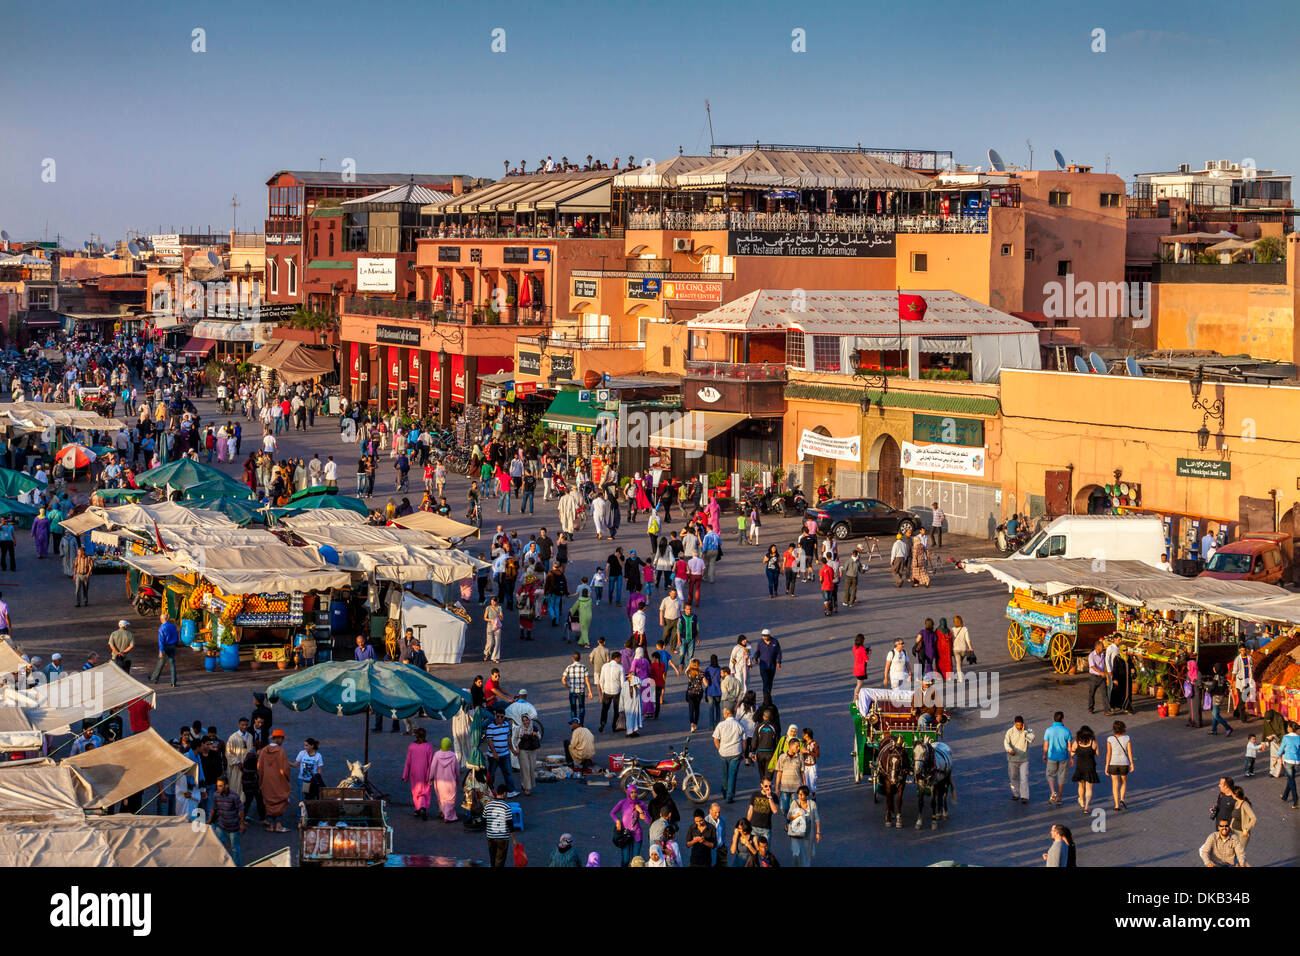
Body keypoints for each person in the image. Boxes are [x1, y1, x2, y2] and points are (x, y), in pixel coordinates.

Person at [256, 729, 292, 832]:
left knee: (269, 802)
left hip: (266, 781)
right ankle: (279, 825)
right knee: (280, 801)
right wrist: (287, 780)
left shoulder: (263, 751)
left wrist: (262, 780)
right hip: (279, 782)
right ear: (279, 738)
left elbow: (259, 768)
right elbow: (285, 769)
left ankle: (271, 825)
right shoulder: (281, 752)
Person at [209, 776, 245, 866]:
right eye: (217, 786)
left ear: (227, 786)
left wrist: (242, 824)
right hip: (221, 826)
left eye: (220, 786)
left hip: (233, 828)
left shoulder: (234, 796)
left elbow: (241, 810)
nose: (218, 788)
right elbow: (213, 808)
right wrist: (209, 820)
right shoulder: (216, 795)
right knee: (217, 845)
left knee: (235, 849)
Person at [610, 783, 648, 866]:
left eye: (635, 792)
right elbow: (612, 813)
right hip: (625, 834)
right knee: (626, 859)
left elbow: (648, 820)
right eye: (632, 792)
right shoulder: (622, 802)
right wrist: (617, 821)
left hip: (637, 834)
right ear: (628, 793)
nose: (634, 794)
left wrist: (640, 811)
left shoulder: (641, 804)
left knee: (635, 860)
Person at [1043, 711, 1074, 806]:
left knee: (1050, 775)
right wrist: (1071, 758)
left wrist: (1044, 754)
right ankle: (1060, 798)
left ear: (1054, 719)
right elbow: (1069, 747)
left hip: (1052, 756)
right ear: (1062, 719)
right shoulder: (1066, 731)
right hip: (1063, 757)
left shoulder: (1048, 730)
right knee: (1061, 777)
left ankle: (1053, 792)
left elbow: (1046, 745)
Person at [403, 728, 435, 820]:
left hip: (414, 772)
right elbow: (430, 762)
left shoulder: (411, 746)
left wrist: (405, 775)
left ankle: (417, 809)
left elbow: (408, 761)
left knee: (416, 790)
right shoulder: (428, 746)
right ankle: (423, 808)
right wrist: (431, 775)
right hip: (425, 772)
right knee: (425, 790)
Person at [785, 785, 820, 866]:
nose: (800, 796)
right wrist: (798, 815)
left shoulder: (812, 804)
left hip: (807, 832)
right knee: (795, 853)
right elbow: (788, 816)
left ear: (806, 795)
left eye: (802, 794)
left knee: (807, 854)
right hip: (796, 832)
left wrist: (818, 833)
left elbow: (817, 819)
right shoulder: (795, 803)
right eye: (799, 794)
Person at [1004, 715, 1035, 803]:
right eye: (1017, 725)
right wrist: (1010, 750)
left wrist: (1025, 731)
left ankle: (1024, 797)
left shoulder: (1028, 730)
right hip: (1012, 759)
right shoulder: (1009, 732)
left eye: (1021, 725)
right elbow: (1006, 742)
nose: (1019, 727)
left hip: (1024, 759)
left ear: (1023, 724)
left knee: (1024, 778)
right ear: (1014, 724)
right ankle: (1016, 794)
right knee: (1013, 777)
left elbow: (1031, 739)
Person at [1105, 719, 1134, 811]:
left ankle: (1116, 805)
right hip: (1124, 763)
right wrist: (1132, 763)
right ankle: (1122, 799)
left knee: (1115, 784)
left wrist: (1106, 765)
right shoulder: (1127, 738)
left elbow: (1108, 753)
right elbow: (1130, 752)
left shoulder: (1110, 739)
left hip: (1113, 763)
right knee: (1123, 782)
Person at [1070, 725, 1100, 811]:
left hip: (1080, 766)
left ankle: (1081, 799)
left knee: (1081, 785)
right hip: (1090, 766)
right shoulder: (1093, 742)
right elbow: (1097, 753)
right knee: (1089, 787)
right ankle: (1086, 806)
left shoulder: (1076, 742)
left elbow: (1072, 754)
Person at [484, 785, 514, 867]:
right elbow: (510, 824)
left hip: (490, 836)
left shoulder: (488, 805)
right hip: (502, 837)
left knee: (492, 858)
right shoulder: (506, 806)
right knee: (500, 860)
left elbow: (484, 819)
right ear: (504, 793)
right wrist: (514, 840)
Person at [512, 713, 542, 796]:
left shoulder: (534, 728)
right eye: (523, 721)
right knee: (525, 769)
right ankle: (527, 788)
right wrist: (516, 747)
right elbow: (514, 739)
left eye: (527, 720)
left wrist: (536, 735)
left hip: (533, 750)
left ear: (530, 720)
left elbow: (539, 737)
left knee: (532, 768)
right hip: (522, 751)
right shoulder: (519, 729)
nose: (525, 722)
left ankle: (525, 784)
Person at [150, 611, 179, 686]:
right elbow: (176, 636)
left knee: (161, 663)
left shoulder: (162, 628)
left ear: (161, 619)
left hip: (165, 646)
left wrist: (160, 651)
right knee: (172, 664)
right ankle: (173, 682)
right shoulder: (173, 626)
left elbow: (161, 641)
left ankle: (154, 678)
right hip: (172, 645)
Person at [598, 652, 624, 733]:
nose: (621, 660)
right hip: (617, 691)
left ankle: (602, 723)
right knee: (616, 710)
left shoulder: (605, 666)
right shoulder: (620, 668)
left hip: (607, 691)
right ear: (616, 658)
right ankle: (614, 726)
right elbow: (623, 682)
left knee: (605, 709)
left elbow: (601, 680)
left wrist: (603, 691)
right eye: (620, 658)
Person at [754, 628, 782, 700]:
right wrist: (755, 658)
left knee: (770, 682)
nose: (764, 637)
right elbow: (757, 652)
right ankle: (766, 697)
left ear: (769, 635)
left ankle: (768, 694)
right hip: (763, 666)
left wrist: (778, 662)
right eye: (763, 635)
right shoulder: (760, 642)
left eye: (765, 636)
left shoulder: (775, 642)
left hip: (772, 666)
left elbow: (778, 652)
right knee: (765, 681)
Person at [1208, 662, 1233, 736]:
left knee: (1215, 714)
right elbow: (1225, 686)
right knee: (1214, 714)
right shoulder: (1223, 677)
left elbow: (1213, 686)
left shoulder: (1216, 676)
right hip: (1221, 697)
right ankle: (1214, 729)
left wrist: (1208, 690)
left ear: (1216, 669)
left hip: (1216, 697)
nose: (1213, 668)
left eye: (1214, 667)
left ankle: (1228, 728)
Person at [1279, 720, 1300, 808]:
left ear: (1291, 728)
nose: (1287, 728)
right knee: (1290, 779)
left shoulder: (1286, 737)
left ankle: (1296, 801)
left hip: (1288, 760)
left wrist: (1278, 756)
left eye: (1288, 726)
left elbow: (1282, 748)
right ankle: (1285, 796)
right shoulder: (1299, 738)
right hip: (1297, 761)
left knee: (1291, 780)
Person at [1229, 785, 1256, 849]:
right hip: (1233, 831)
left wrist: (1246, 829)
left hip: (1241, 834)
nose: (1231, 794)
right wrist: (1231, 825)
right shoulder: (1237, 803)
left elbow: (1254, 818)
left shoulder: (1245, 805)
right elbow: (1234, 816)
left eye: (1232, 793)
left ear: (1235, 795)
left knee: (1240, 853)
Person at [1086, 638, 1108, 714]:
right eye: (1102, 646)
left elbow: (1105, 664)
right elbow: (1092, 666)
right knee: (1091, 694)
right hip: (1094, 677)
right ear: (1097, 647)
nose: (1103, 647)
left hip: (1102, 678)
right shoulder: (1091, 655)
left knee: (1105, 693)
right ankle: (1090, 708)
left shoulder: (1103, 655)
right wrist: (1101, 672)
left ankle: (1107, 710)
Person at [621, 668, 643, 737]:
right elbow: (622, 696)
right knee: (631, 718)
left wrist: (621, 706)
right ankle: (631, 731)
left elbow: (640, 681)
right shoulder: (627, 684)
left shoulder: (637, 684)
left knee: (631, 718)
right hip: (630, 705)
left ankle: (632, 731)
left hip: (632, 705)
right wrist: (621, 706)